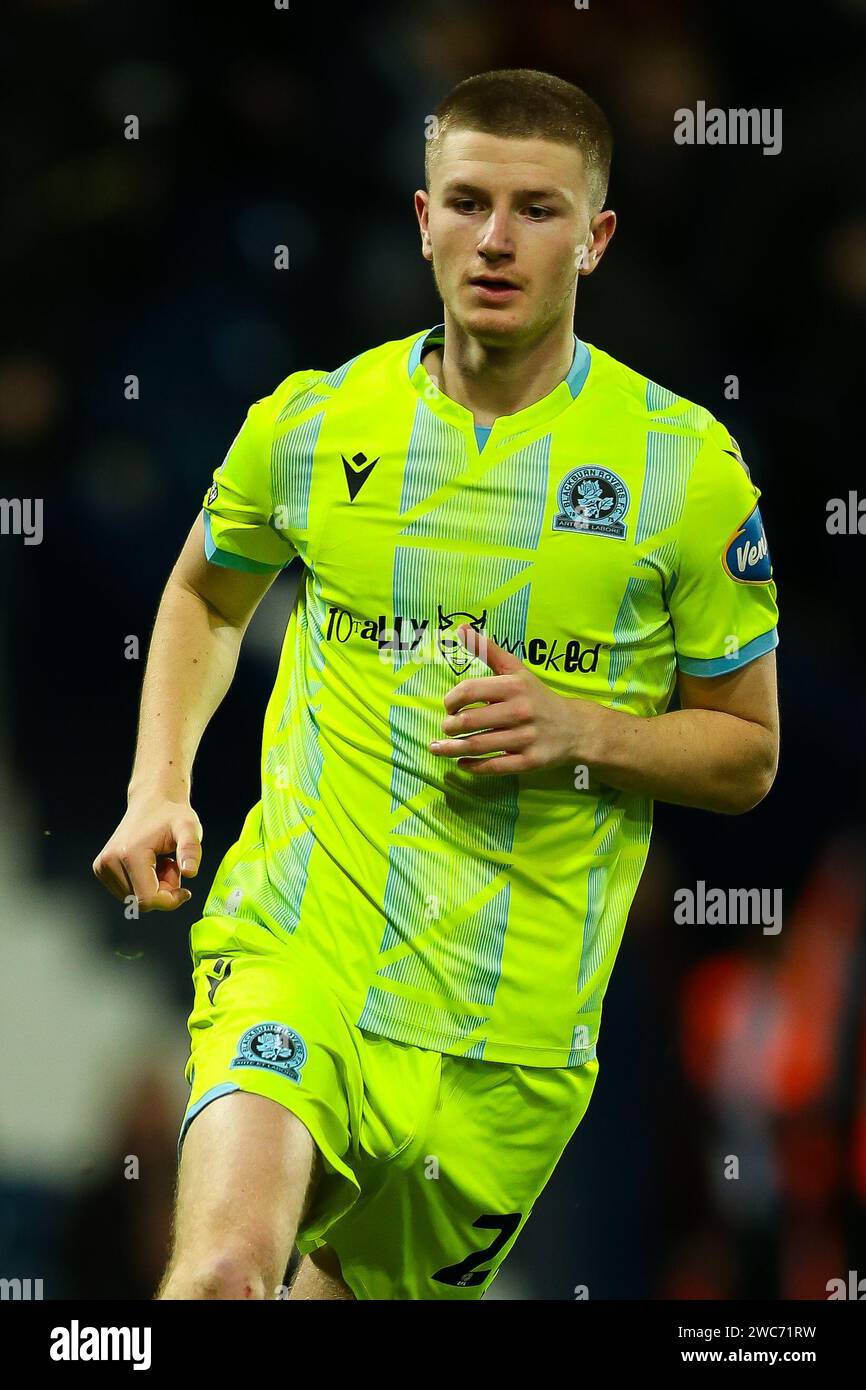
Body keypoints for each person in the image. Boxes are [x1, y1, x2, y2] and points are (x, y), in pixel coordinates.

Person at [93, 67, 780, 1301]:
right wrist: (158, 786)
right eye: (467, 203)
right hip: (308, 945)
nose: (496, 240)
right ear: (421, 220)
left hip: (508, 1040)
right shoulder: (314, 422)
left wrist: (582, 732)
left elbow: (745, 754)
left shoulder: (684, 472)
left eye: (536, 209)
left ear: (596, 235)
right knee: (223, 1273)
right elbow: (204, 590)